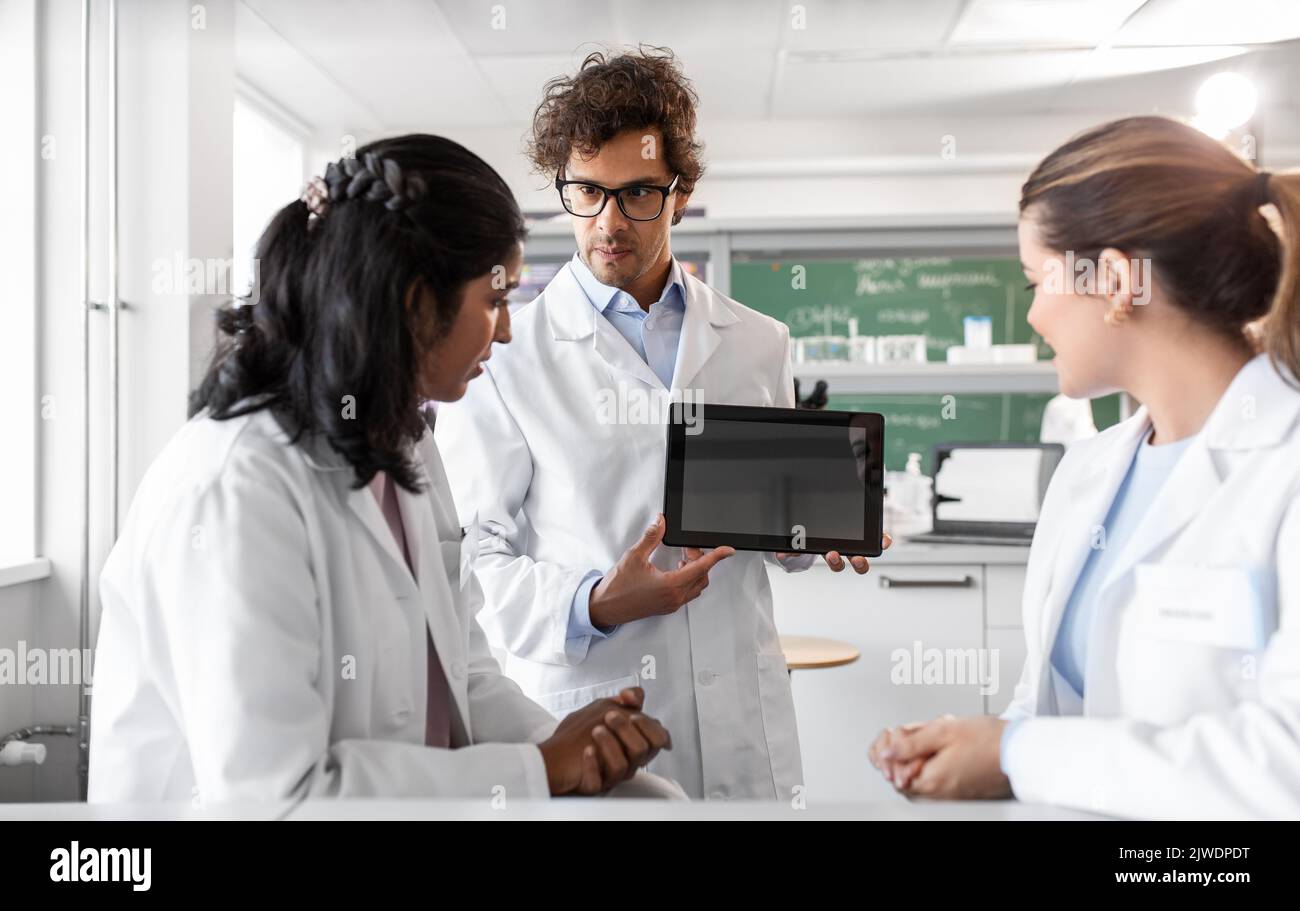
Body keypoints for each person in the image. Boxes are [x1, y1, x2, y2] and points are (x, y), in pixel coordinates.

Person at [89, 134, 672, 804]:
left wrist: (571, 747)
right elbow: (275, 800)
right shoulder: (236, 488)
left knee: (654, 802)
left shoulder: (403, 440)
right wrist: (539, 770)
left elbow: (463, 671)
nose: (507, 329)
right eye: (493, 299)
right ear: (417, 303)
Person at [436, 48, 884, 802]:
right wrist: (596, 601)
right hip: (599, 712)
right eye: (587, 192)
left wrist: (818, 532)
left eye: (639, 192)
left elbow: (769, 527)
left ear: (681, 194)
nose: (609, 222)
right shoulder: (507, 355)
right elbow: (474, 557)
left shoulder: (756, 340)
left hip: (746, 720)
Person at [868, 115, 1300, 819]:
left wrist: (1015, 752)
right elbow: (1055, 704)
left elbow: (1285, 768)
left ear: (1118, 279)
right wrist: (981, 746)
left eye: (1037, 281)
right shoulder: (1088, 474)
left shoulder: (1286, 464)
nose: (1034, 314)